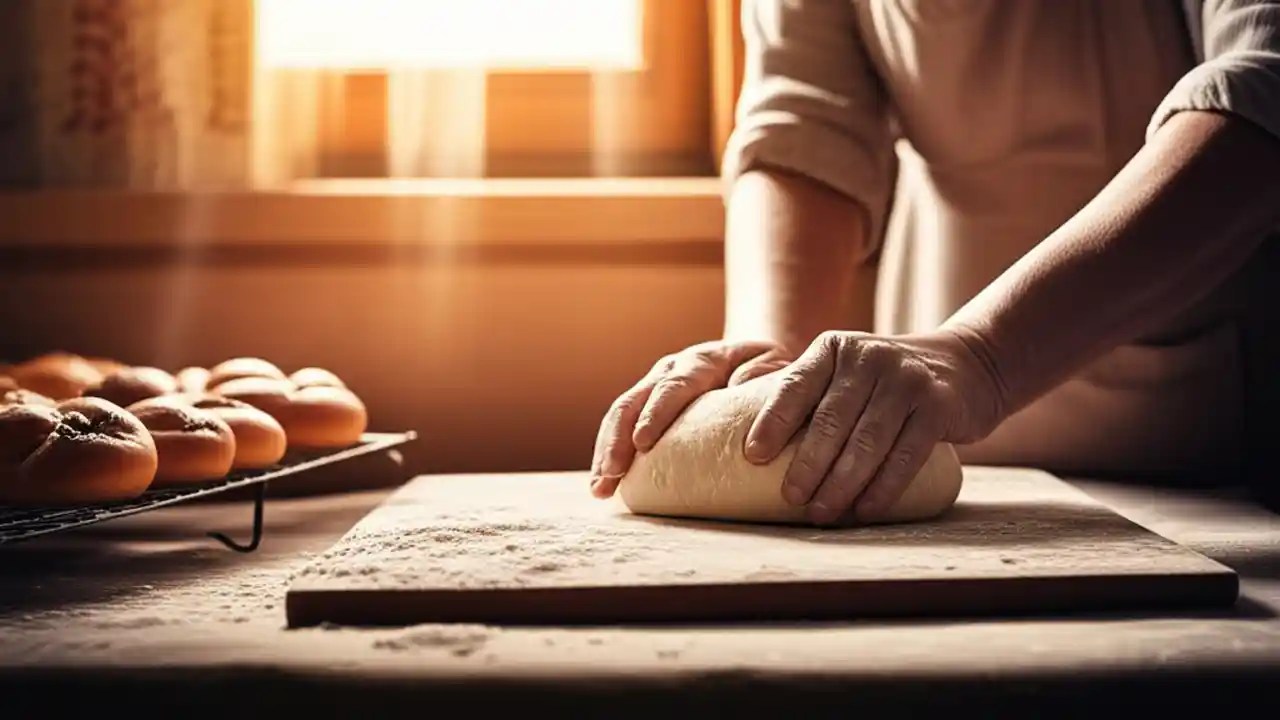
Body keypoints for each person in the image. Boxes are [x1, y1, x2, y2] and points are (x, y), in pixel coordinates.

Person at [589, 0, 1280, 522]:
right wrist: (770, 364)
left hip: (1208, 453)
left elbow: (1262, 90)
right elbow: (805, 119)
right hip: (915, 433)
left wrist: (986, 355)